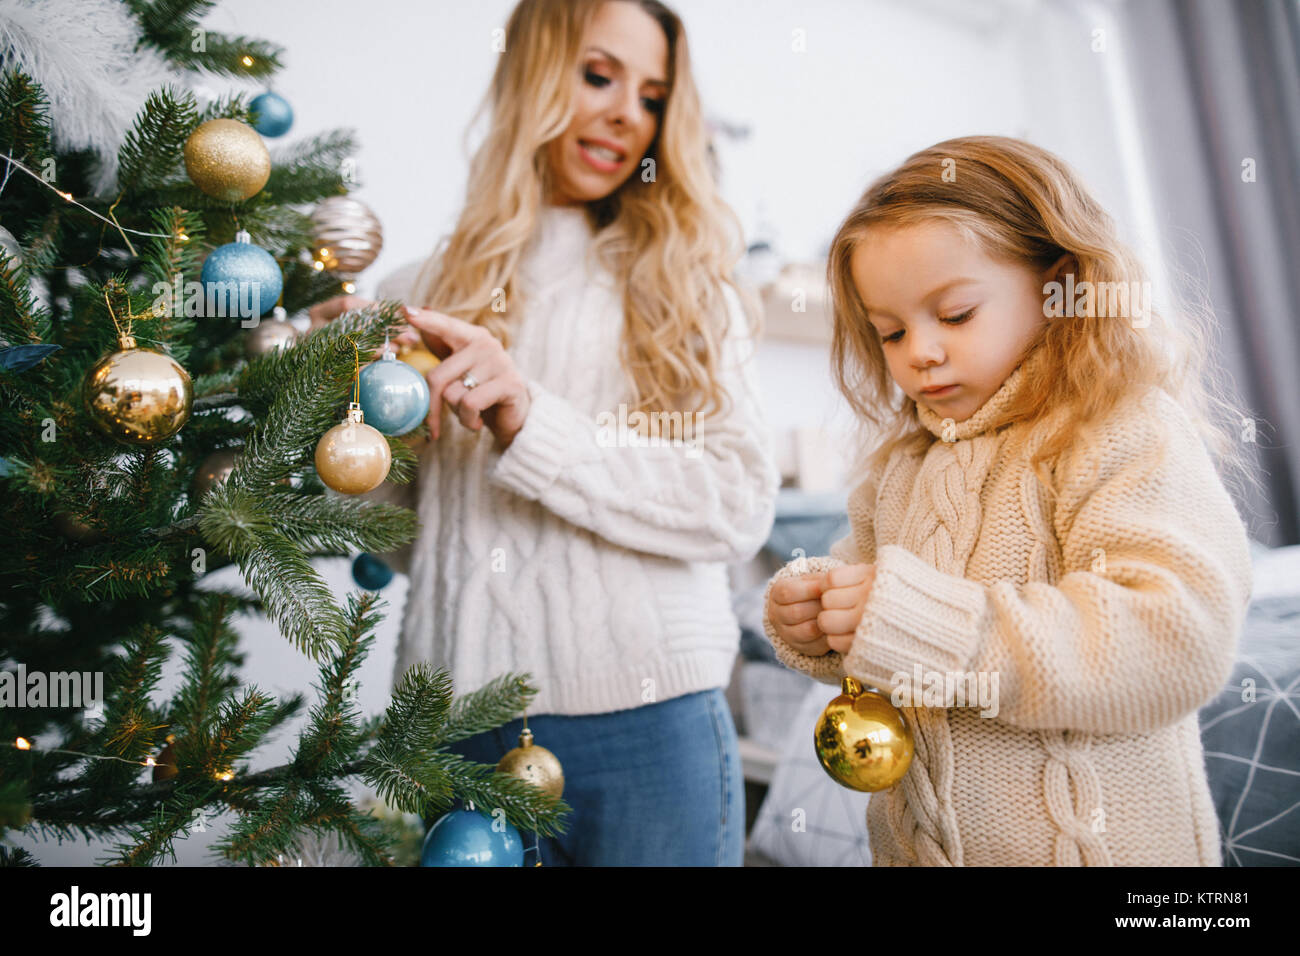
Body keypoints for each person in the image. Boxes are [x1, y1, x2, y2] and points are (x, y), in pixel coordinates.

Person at [309, 0, 779, 866]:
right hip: (451, 729)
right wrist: (348, 412)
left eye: (651, 96)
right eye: (598, 75)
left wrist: (535, 425)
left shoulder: (684, 285)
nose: (624, 116)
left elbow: (739, 504)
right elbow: (416, 540)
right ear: (529, 73)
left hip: (644, 729)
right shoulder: (420, 288)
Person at [763, 135, 1255, 866]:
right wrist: (814, 622)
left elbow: (1179, 637)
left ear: (1058, 284)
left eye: (955, 314)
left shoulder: (1118, 427)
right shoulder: (899, 467)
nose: (919, 351)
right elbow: (877, 638)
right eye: (890, 332)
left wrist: (918, 623)